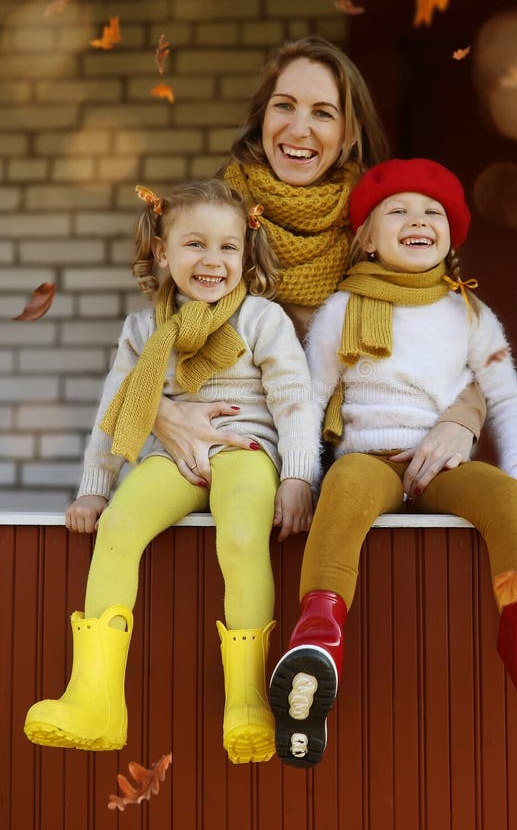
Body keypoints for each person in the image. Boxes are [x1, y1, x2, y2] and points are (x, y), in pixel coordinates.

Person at [268, 158, 517, 768]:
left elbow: (505, 394)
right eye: (398, 210)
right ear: (366, 239)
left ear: (453, 236)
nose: (418, 220)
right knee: (345, 486)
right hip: (370, 455)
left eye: (434, 212)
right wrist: (299, 476)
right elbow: (307, 398)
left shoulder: (469, 316)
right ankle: (317, 644)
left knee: (505, 499)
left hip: (444, 467)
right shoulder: (342, 310)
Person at [24, 179, 319, 765]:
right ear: (162, 251)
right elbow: (116, 412)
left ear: (246, 251)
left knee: (240, 539)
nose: (213, 261)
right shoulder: (141, 331)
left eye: (228, 247)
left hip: (247, 450)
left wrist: (297, 476)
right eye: (195, 244)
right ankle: (95, 700)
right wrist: (93, 489)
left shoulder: (262, 319)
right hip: (173, 459)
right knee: (119, 528)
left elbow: (293, 399)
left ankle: (247, 702)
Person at [152, 38, 487, 494]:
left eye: (323, 113)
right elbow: (150, 347)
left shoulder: (376, 230)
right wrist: (163, 414)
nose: (299, 128)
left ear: (349, 134)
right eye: (284, 106)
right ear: (262, 119)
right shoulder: (210, 224)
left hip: (352, 476)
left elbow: (455, 340)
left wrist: (459, 423)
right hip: (219, 468)